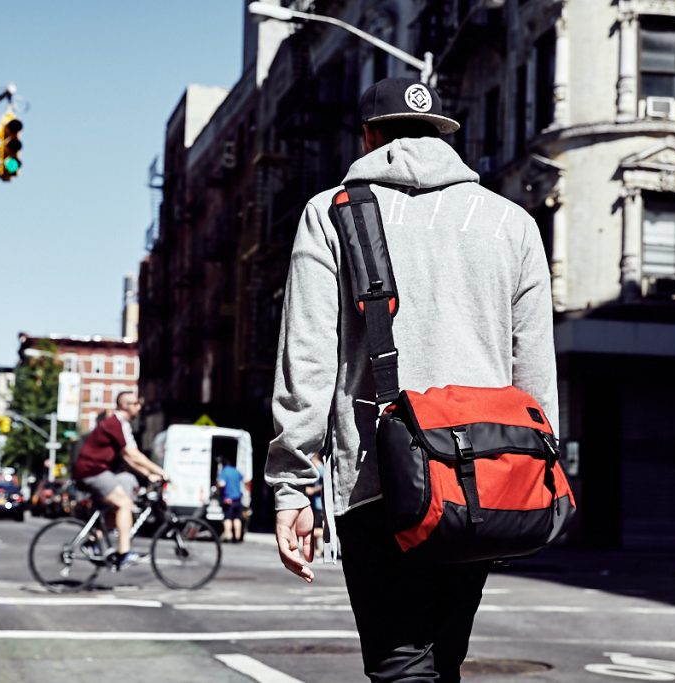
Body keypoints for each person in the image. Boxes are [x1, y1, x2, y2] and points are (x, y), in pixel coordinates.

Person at [265, 77, 558, 681]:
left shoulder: (331, 214)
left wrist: (293, 486)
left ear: (369, 137)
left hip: (381, 479)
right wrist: (539, 474)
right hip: (483, 480)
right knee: (443, 658)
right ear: (444, 137)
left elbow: (308, 359)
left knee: (401, 662)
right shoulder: (513, 222)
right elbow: (535, 371)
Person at [73, 392, 169, 568]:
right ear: (125, 405)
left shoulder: (120, 425)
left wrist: (148, 475)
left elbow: (128, 459)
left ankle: (93, 542)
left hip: (96, 470)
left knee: (117, 505)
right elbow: (132, 454)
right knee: (125, 504)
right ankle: (124, 553)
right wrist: (161, 471)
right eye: (136, 403)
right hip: (92, 471)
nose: (139, 407)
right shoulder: (115, 424)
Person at [216, 458, 244, 543]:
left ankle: (228, 537)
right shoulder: (236, 471)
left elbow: (222, 484)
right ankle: (237, 537)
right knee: (237, 518)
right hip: (237, 498)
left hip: (228, 499)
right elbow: (242, 479)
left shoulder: (224, 472)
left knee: (228, 518)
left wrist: (217, 483)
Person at [304, 453, 324, 557]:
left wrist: (312, 490)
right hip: (315, 503)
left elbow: (327, 483)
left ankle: (320, 548)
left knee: (317, 528)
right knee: (315, 526)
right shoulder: (315, 468)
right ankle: (317, 549)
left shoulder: (320, 468)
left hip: (320, 504)